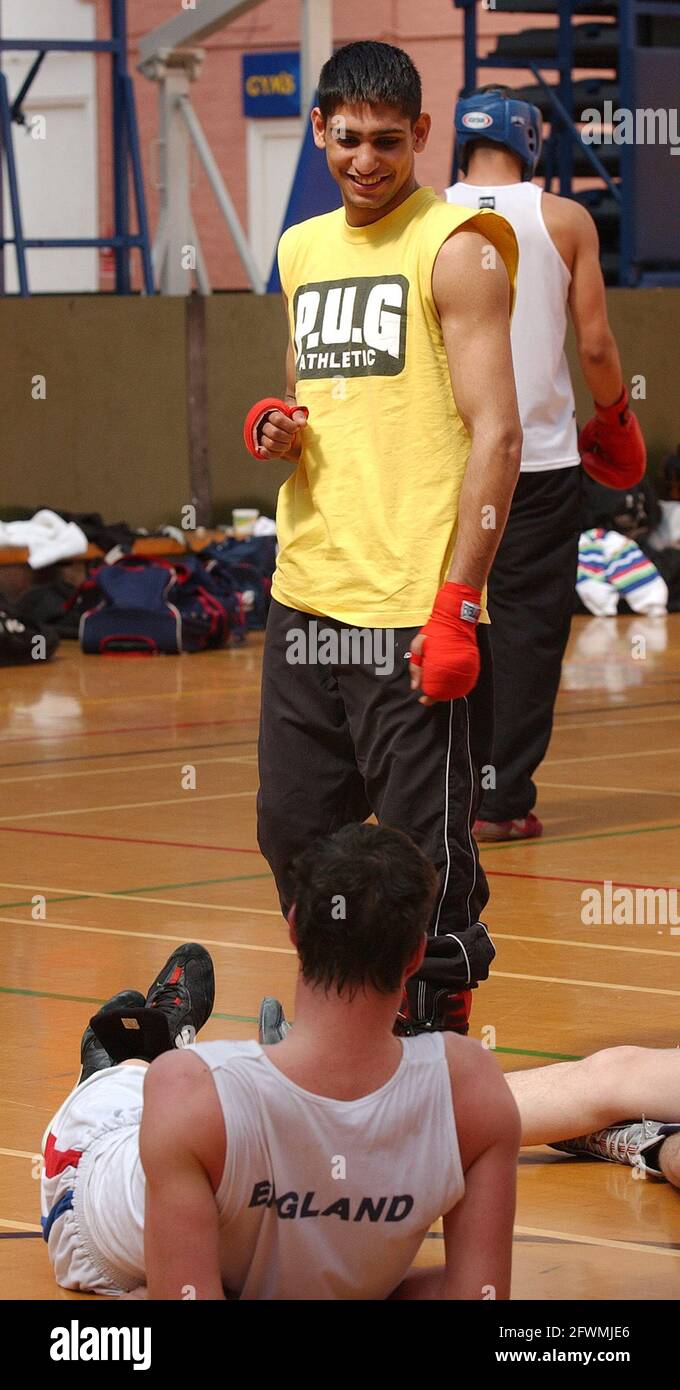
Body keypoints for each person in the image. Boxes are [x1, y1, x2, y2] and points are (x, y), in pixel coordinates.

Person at [245, 41, 523, 1038]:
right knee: (293, 831)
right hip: (307, 591)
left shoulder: (459, 247)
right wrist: (280, 427)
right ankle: (337, 1022)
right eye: (348, 139)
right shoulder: (301, 249)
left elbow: (498, 433)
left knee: (419, 850)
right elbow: (311, 396)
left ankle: (427, 1031)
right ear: (318, 129)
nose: (366, 159)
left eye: (388, 142)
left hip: (412, 602)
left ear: (423, 136)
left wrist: (456, 604)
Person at [41, 824, 521, 1301]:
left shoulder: (189, 1092)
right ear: (417, 955)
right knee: (142, 1083)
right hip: (86, 1180)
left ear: (293, 927)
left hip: (156, 1141)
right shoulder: (474, 1083)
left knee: (173, 1088)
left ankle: (140, 1056)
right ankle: (122, 1065)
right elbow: (476, 1294)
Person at [445, 86, 646, 840]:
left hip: (454, 457)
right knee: (526, 630)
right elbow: (593, 345)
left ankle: (433, 791)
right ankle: (499, 804)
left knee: (449, 614)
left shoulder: (429, 216)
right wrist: (618, 419)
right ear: (531, 142)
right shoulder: (563, 219)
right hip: (540, 458)